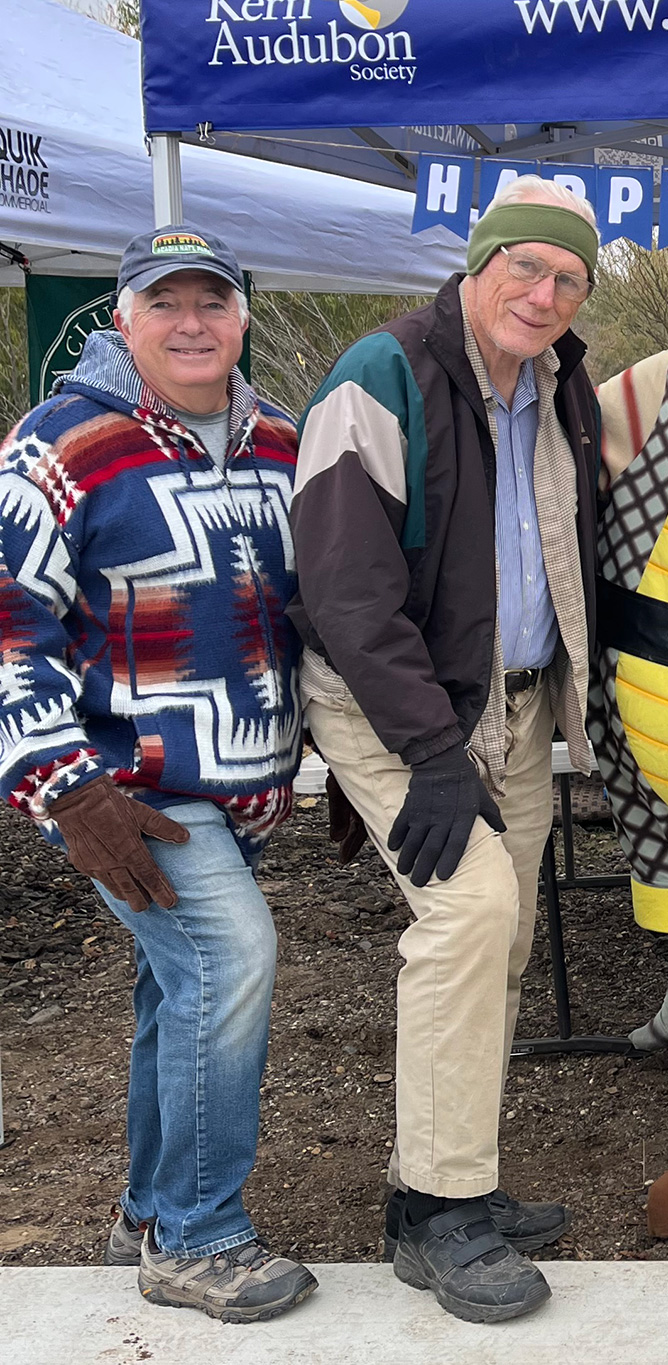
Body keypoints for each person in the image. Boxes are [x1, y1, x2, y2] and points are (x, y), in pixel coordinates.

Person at [291, 178, 603, 1323]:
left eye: (568, 278)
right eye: (525, 265)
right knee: (469, 914)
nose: (545, 292)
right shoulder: (384, 373)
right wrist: (430, 753)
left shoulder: (564, 387)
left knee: (502, 941)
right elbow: (343, 592)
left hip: (513, 706)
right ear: (478, 266)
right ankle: (443, 1207)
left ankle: (436, 1182)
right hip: (396, 709)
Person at [0, 227, 315, 1323]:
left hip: (251, 787)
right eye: (164, 303)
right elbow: (8, 624)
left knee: (178, 991)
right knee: (233, 964)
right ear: (120, 318)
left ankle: (148, 1205)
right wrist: (63, 786)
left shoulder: (282, 439)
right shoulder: (63, 443)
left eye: (212, 302)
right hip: (130, 795)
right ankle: (198, 1234)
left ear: (241, 315)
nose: (192, 324)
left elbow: (313, 614)